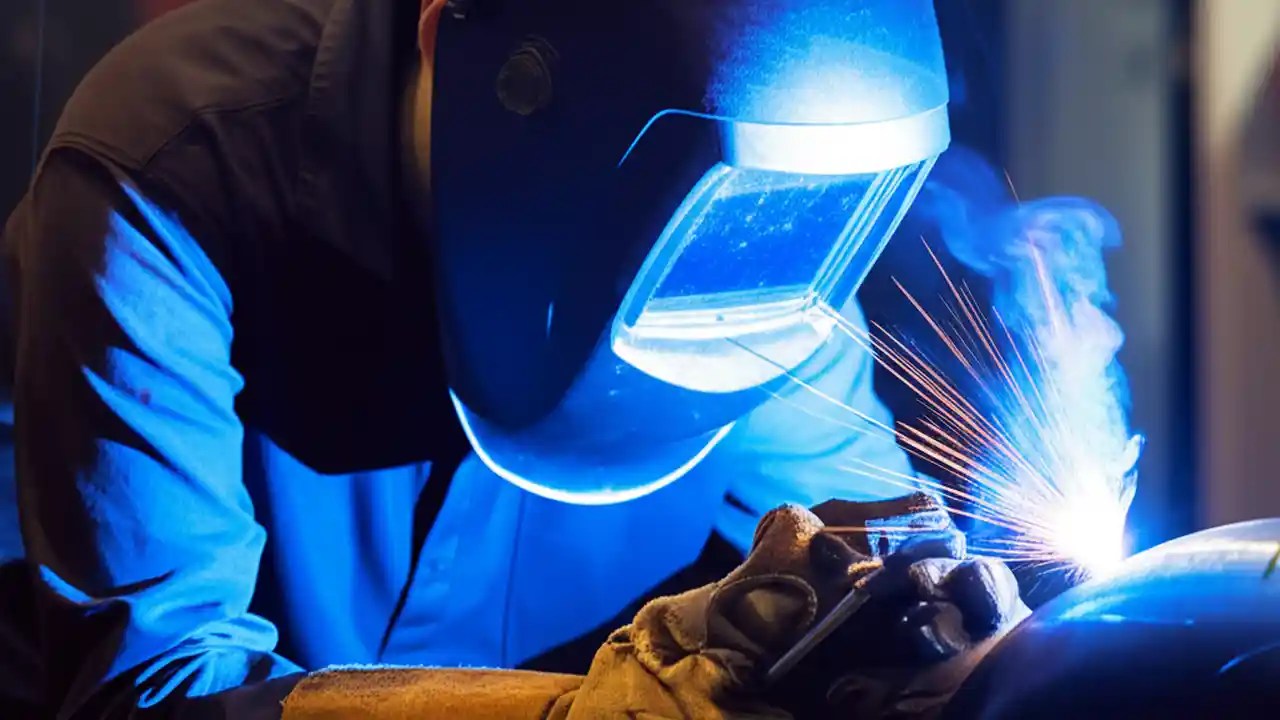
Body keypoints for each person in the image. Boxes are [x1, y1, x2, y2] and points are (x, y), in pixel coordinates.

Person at [0, 0, 1025, 717]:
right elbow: (156, 694)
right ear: (465, 52)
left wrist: (967, 653)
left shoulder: (753, 218)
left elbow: (877, 561)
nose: (741, 263)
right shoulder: (176, 169)